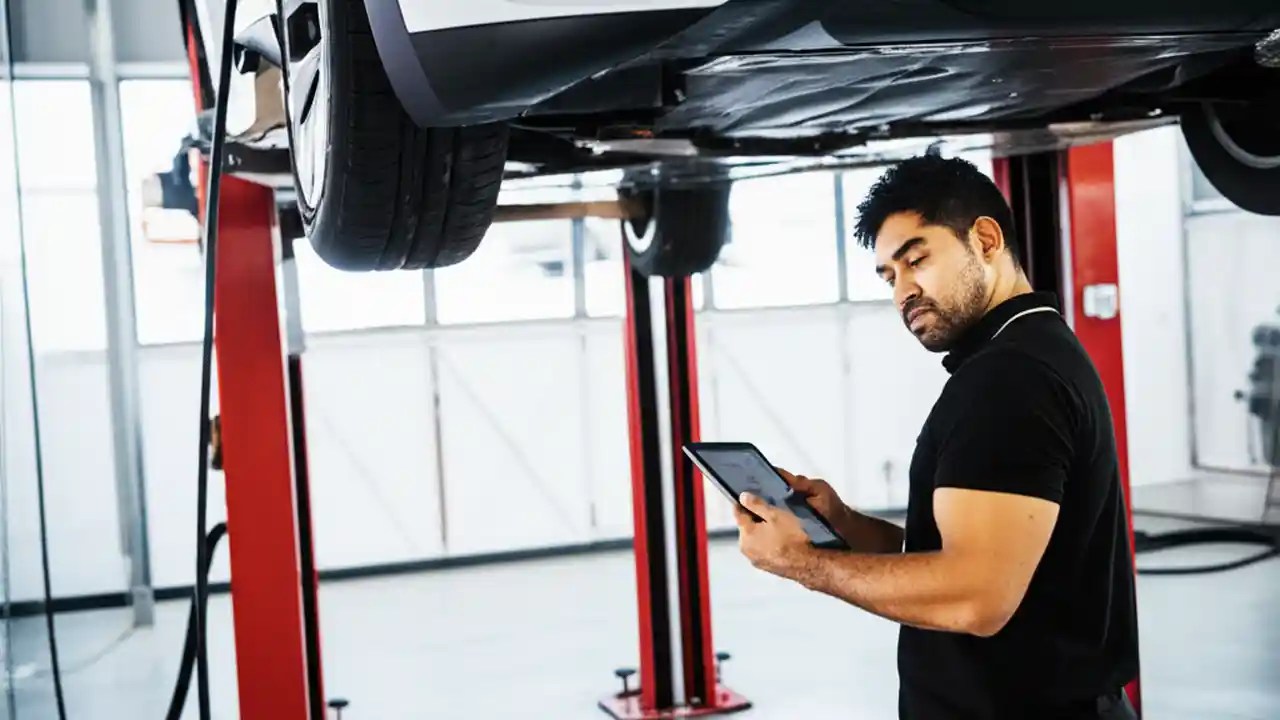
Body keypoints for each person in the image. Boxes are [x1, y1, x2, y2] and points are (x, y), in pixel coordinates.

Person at [734, 155, 1140, 719]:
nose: (904, 291)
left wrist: (807, 564)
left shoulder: (1010, 380)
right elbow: (971, 555)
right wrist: (844, 525)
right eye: (889, 276)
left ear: (986, 238)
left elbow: (977, 597)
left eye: (916, 259)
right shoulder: (1026, 352)